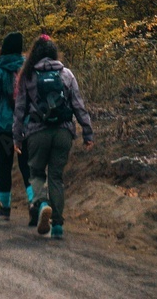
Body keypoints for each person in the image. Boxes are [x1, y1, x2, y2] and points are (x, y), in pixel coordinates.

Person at [13, 34, 93, 239]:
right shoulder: (66, 74)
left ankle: (42, 204)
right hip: (63, 132)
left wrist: (17, 137)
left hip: (37, 133)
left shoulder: (28, 75)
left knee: (36, 172)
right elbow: (78, 105)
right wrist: (87, 132)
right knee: (56, 177)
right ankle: (57, 225)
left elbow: (20, 109)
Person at [0, 31, 35, 222]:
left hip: (4, 128)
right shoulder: (28, 67)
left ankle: (4, 209)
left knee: (4, 166)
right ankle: (34, 202)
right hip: (25, 126)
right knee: (27, 165)